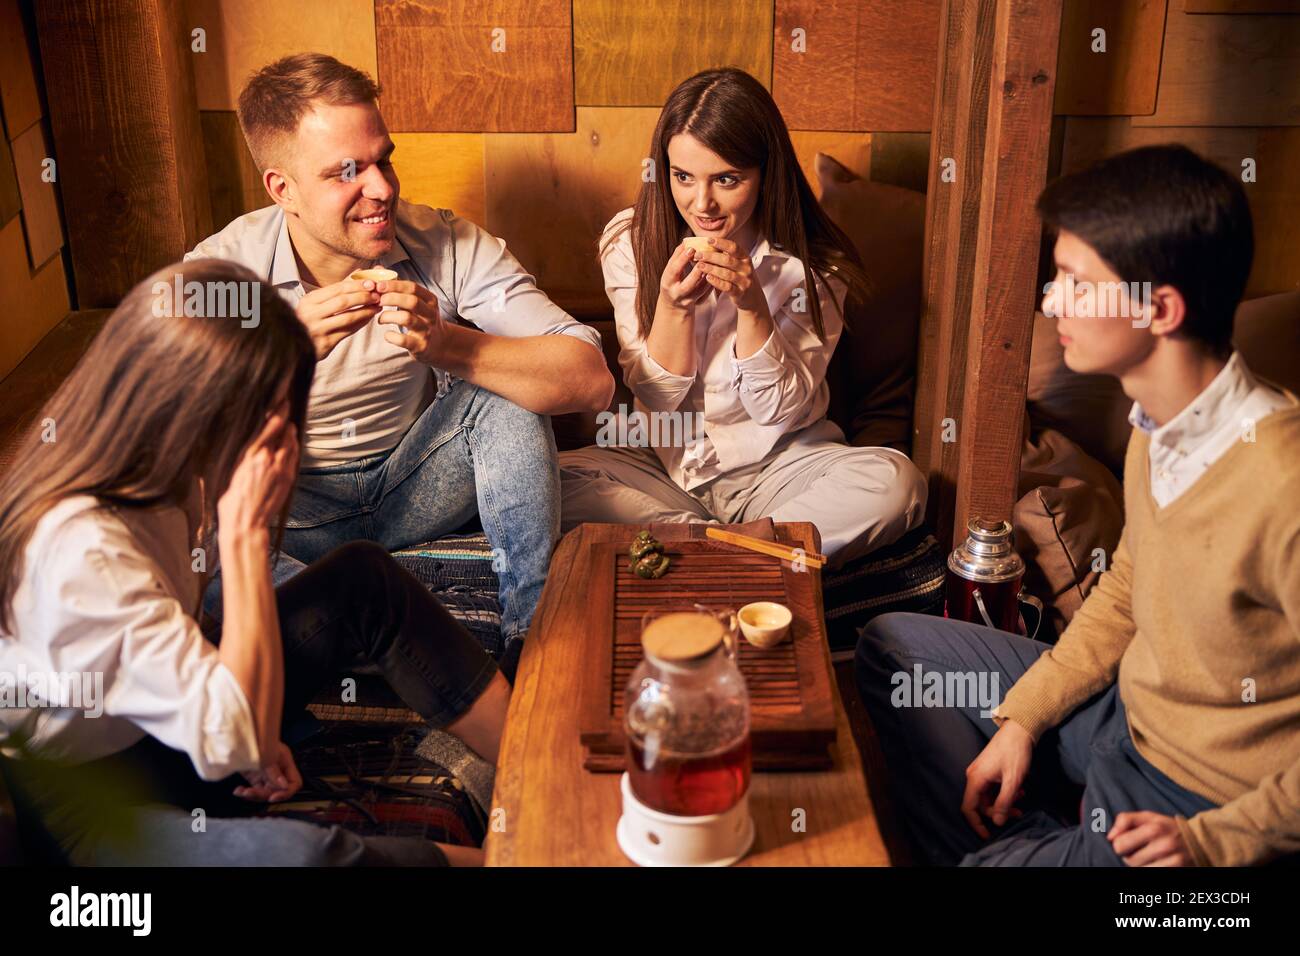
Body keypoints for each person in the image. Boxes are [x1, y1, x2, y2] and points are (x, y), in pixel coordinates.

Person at [856, 144, 1300, 866]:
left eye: (1075, 282)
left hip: (1199, 804)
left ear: (1160, 308)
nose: (1050, 301)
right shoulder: (1155, 419)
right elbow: (1126, 592)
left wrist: (1216, 843)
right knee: (896, 651)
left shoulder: (1281, 481)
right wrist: (1023, 720)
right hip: (1122, 720)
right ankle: (1017, 844)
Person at [0, 260, 511, 866]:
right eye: (262, 413)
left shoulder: (170, 468)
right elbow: (229, 741)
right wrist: (242, 535)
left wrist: (249, 732)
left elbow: (197, 681)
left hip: (169, 732)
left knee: (361, 579)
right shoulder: (82, 549)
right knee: (304, 858)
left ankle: (534, 766)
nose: (279, 438)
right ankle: (532, 861)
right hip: (88, 816)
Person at [186, 53, 614, 664]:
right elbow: (167, 444)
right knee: (197, 547)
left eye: (384, 158)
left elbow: (592, 383)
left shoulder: (443, 240)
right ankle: (366, 642)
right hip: (291, 512)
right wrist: (277, 363)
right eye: (346, 172)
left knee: (503, 393)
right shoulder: (219, 274)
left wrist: (449, 344)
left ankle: (535, 640)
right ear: (284, 189)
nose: (382, 188)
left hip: (415, 488)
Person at [559, 68, 926, 568]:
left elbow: (778, 411)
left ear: (765, 174)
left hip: (780, 468)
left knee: (897, 484)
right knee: (543, 480)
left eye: (726, 179)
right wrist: (673, 306)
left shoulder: (816, 267)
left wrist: (753, 305)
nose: (701, 203)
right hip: (664, 468)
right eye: (682, 176)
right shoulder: (630, 241)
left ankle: (694, 553)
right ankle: (737, 550)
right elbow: (657, 399)